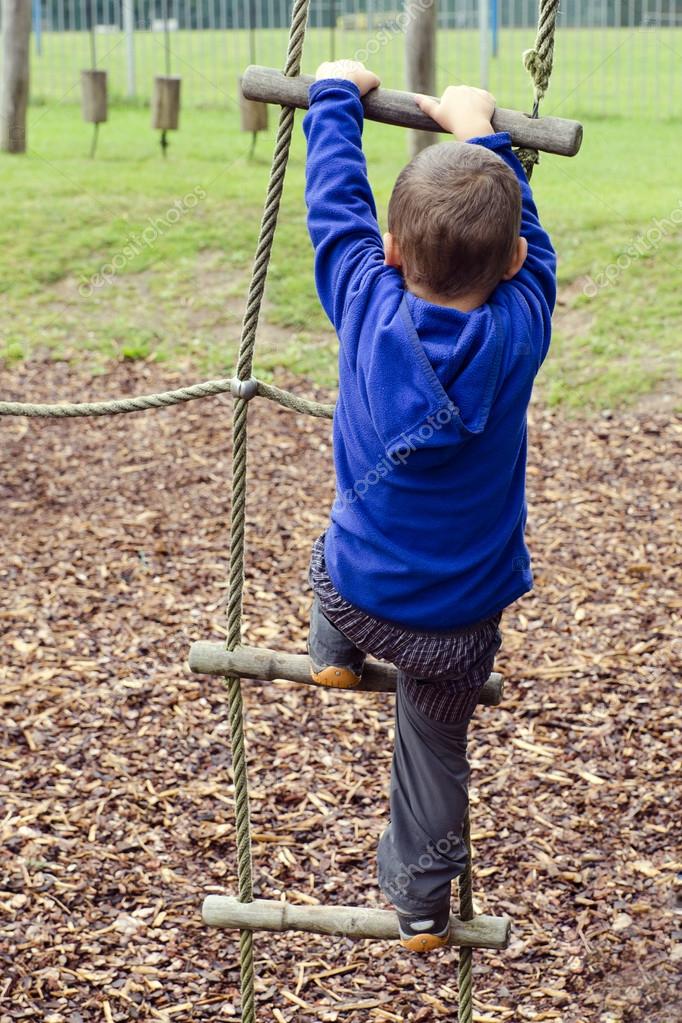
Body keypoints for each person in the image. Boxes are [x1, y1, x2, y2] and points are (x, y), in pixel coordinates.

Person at [303, 60, 556, 953]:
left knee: (331, 539)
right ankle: (419, 904)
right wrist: (480, 129)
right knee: (435, 751)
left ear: (393, 251)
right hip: (455, 624)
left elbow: (335, 206)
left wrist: (335, 95)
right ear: (516, 261)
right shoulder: (521, 329)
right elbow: (535, 246)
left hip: (355, 588)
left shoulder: (363, 298)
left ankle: (332, 650)